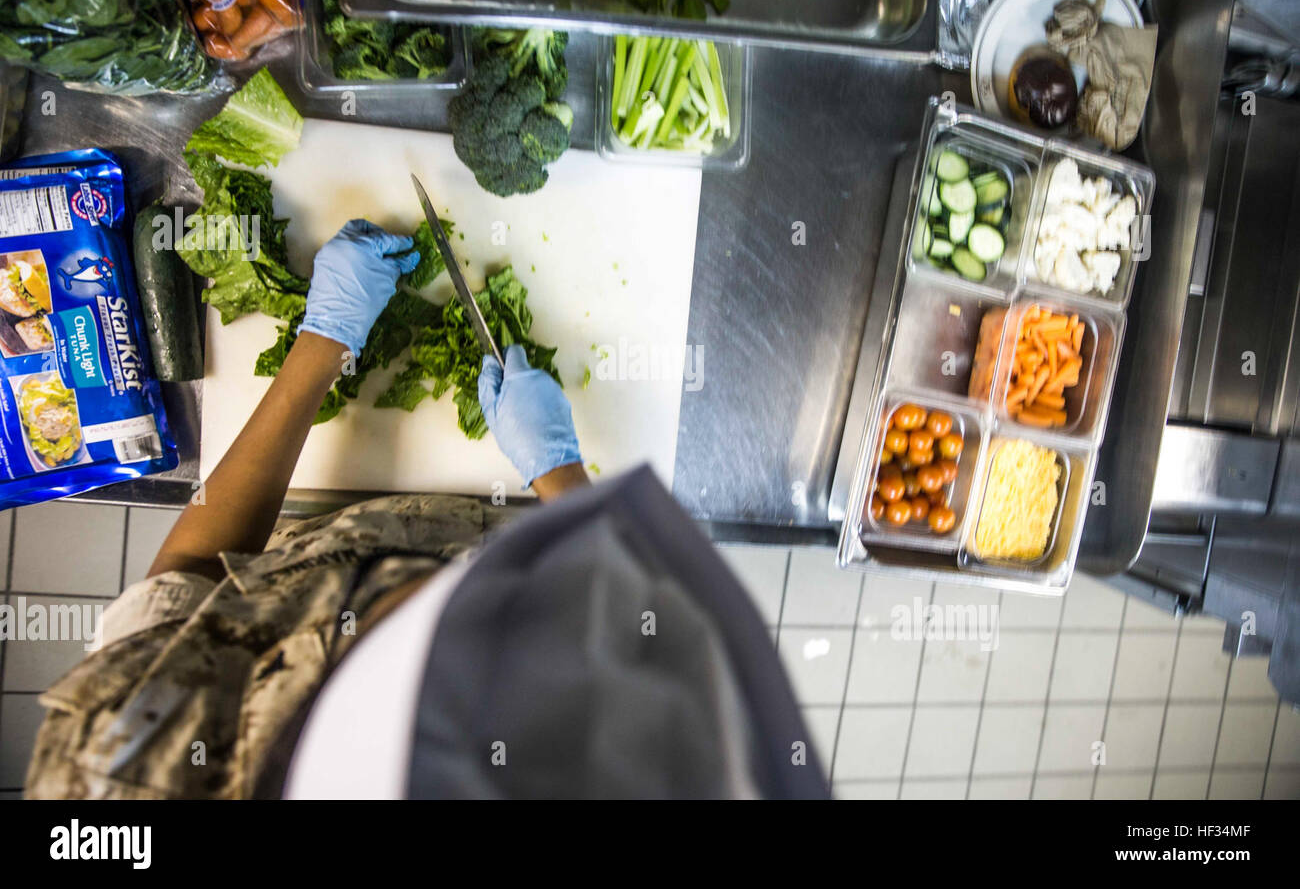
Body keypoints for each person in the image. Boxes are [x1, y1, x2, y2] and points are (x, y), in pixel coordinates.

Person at [24, 221, 828, 800]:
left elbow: (190, 579)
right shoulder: (698, 751)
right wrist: (559, 477)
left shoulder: (123, 771)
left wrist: (322, 341)